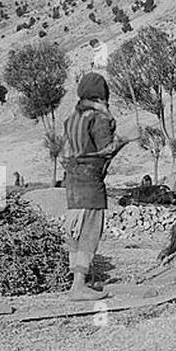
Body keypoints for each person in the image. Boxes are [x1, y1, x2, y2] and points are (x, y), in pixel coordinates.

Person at [59, 71, 132, 300]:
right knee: (89, 234)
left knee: (75, 233)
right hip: (90, 184)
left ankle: (80, 281)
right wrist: (125, 139)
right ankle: (79, 286)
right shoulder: (99, 119)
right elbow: (105, 151)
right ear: (102, 95)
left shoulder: (71, 119)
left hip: (72, 182)